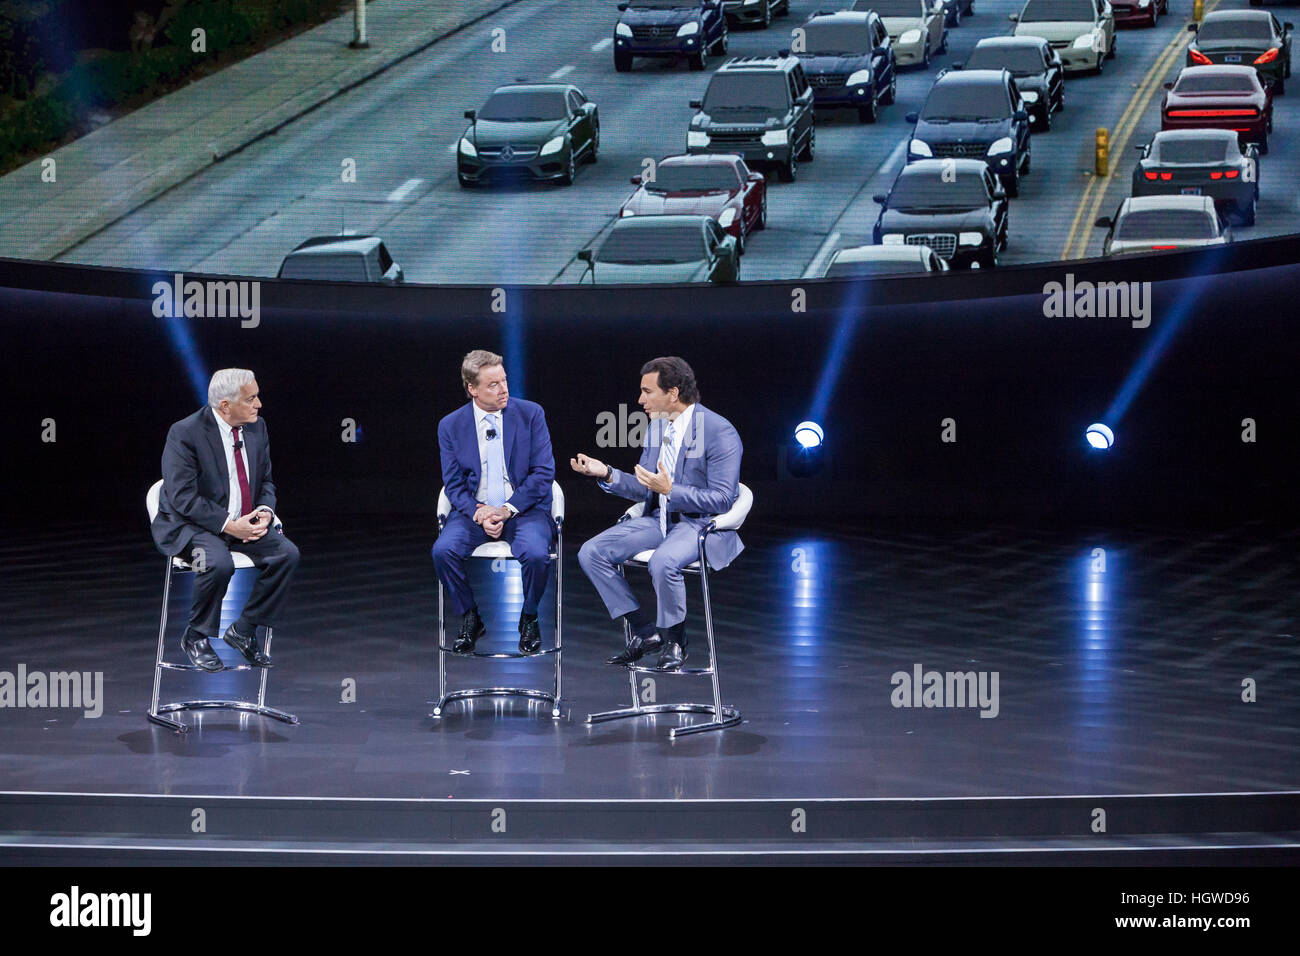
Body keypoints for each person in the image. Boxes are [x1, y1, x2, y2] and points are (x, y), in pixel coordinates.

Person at [573, 357, 743, 671]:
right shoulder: (657, 428)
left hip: (698, 523)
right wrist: (607, 473)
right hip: (659, 519)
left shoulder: (719, 431)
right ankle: (644, 632)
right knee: (591, 552)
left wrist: (671, 490)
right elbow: (645, 490)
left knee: (662, 561)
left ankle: (675, 639)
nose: (640, 400)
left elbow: (721, 499)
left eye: (647, 392)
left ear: (673, 393)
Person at [151, 369, 300, 672]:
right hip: (193, 523)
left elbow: (267, 482)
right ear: (225, 406)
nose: (259, 404)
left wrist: (265, 512)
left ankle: (244, 631)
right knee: (218, 562)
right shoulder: (185, 432)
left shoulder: (258, 428)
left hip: (243, 520)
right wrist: (229, 525)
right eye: (251, 399)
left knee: (286, 554)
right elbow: (182, 498)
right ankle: (196, 637)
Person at [432, 350, 556, 655]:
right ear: (472, 389)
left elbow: (543, 473)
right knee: (443, 551)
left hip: (522, 509)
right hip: (475, 510)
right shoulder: (450, 425)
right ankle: (470, 617)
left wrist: (507, 509)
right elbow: (454, 484)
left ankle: (529, 616)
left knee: (537, 553)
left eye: (504, 381)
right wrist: (479, 512)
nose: (504, 390)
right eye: (493, 385)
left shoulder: (531, 414)